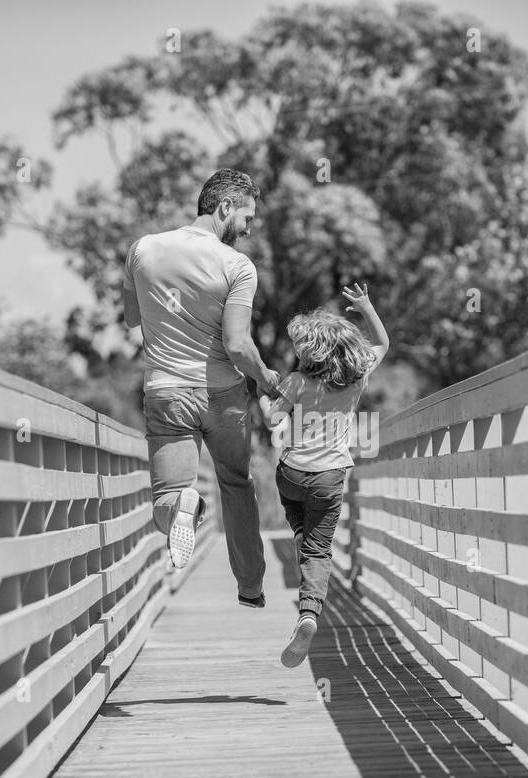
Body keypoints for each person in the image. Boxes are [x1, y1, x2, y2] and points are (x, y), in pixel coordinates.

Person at [122, 169, 280, 607]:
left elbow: (133, 320)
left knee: (165, 500)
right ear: (225, 206)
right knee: (236, 483)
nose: (248, 230)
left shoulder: (142, 250)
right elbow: (237, 345)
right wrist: (265, 377)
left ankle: (181, 507)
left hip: (168, 391)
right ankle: (250, 587)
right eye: (247, 218)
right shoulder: (236, 266)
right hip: (224, 395)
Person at [259, 282, 389, 667]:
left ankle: (297, 529)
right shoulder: (357, 378)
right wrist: (366, 307)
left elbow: (271, 419)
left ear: (308, 351)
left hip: (294, 474)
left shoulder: (298, 382)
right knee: (319, 550)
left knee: (288, 493)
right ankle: (309, 613)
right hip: (331, 478)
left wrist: (264, 394)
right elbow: (382, 344)